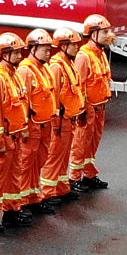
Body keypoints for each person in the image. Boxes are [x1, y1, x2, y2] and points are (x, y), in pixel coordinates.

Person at [0, 34, 32, 230]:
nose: (19, 55)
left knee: (14, 174)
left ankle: (12, 210)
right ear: (4, 54)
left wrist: (25, 127)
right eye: (15, 52)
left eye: (20, 52)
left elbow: (21, 105)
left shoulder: (14, 75)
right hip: (4, 137)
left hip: (17, 134)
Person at [17, 29, 60, 216]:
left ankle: (34, 196)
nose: (47, 52)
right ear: (33, 49)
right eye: (43, 48)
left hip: (44, 123)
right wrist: (24, 126)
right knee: (26, 163)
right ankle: (22, 200)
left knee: (39, 161)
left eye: (48, 48)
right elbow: (21, 101)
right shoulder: (26, 70)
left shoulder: (43, 68)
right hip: (33, 125)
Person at [72, 15, 114, 192]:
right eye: (105, 32)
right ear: (93, 34)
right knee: (81, 142)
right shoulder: (84, 57)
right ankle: (74, 178)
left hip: (99, 107)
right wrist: (80, 110)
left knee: (93, 143)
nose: (108, 35)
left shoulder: (101, 54)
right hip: (88, 108)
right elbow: (78, 85)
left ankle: (89, 174)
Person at [44, 28, 85, 202]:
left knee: (63, 154)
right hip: (60, 120)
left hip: (69, 118)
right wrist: (57, 123)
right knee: (54, 155)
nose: (77, 47)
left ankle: (61, 187)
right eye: (73, 44)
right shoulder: (57, 67)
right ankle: (48, 190)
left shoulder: (68, 63)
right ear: (62, 46)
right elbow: (54, 97)